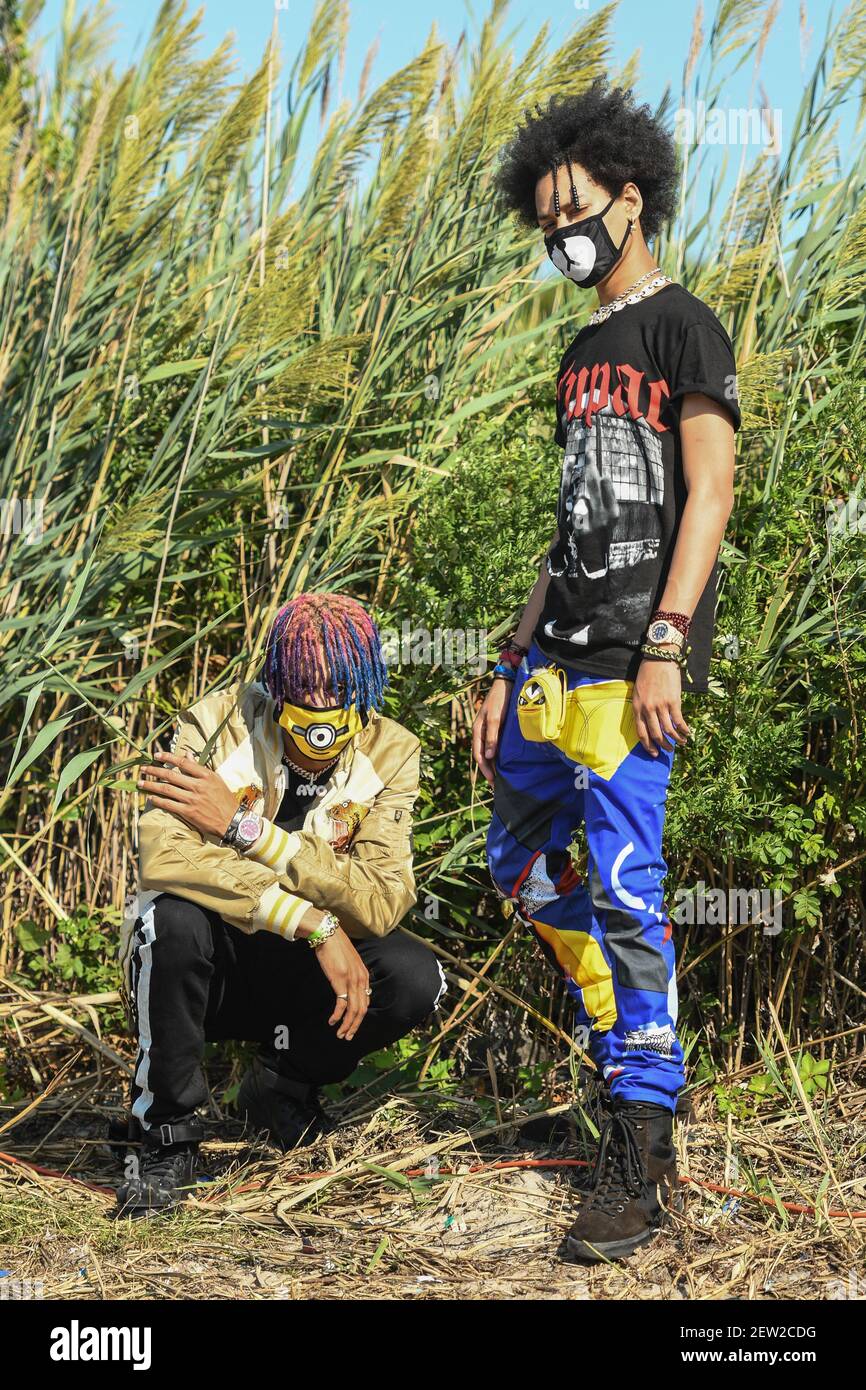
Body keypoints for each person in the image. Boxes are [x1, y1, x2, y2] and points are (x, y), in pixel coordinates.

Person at [474, 81, 739, 1262]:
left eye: (574, 211)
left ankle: (640, 1135)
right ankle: (616, 1039)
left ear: (630, 200)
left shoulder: (686, 327)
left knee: (631, 896)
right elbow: (569, 521)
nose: (561, 235)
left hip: (632, 669)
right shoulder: (582, 350)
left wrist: (667, 642)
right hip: (551, 666)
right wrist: (503, 659)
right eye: (546, 222)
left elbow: (710, 494)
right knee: (516, 859)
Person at [115, 592, 443, 1217]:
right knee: (170, 922)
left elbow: (382, 899)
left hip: (308, 970)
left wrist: (248, 830)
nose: (321, 706)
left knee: (412, 976)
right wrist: (310, 919)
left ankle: (281, 1086)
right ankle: (164, 1135)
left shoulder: (391, 751)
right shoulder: (213, 724)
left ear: (365, 681)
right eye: (305, 686)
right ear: (277, 680)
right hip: (220, 958)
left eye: (338, 686)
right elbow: (162, 854)